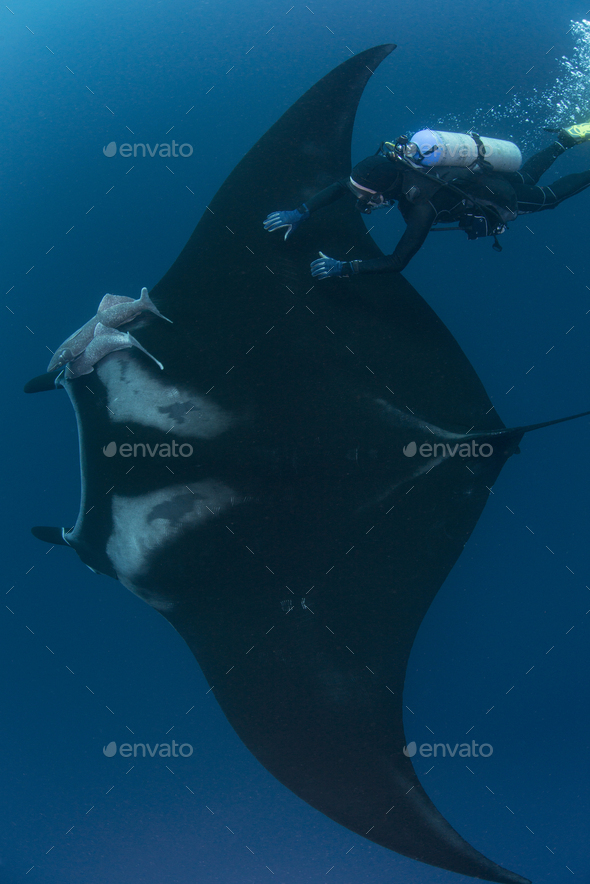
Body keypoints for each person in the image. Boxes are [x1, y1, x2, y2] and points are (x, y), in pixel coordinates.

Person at [263, 122, 590, 279]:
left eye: (365, 197)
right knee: (526, 177)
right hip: (481, 175)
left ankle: (574, 153)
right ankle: (564, 140)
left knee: (548, 198)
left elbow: (397, 261)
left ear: (382, 190)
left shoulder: (422, 206)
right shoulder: (391, 166)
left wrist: (346, 268)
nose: (362, 202)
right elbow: (340, 186)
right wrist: (301, 211)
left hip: (494, 194)